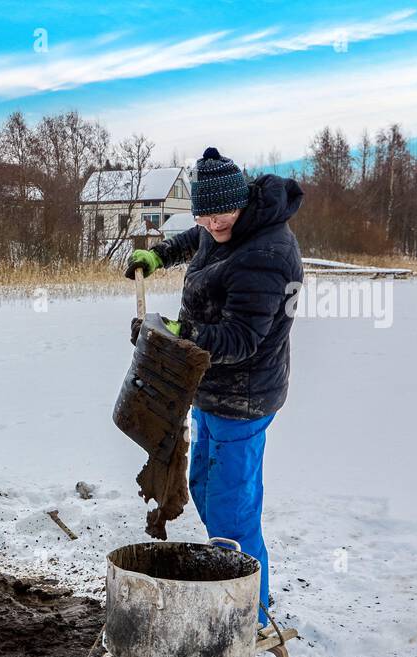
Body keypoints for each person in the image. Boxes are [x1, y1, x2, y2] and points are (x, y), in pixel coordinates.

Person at [124, 147, 303, 625]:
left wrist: (183, 336)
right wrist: (159, 253)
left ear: (241, 202)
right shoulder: (222, 226)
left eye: (220, 215)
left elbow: (243, 339)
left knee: (231, 512)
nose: (211, 225)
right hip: (210, 386)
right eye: (203, 215)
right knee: (207, 486)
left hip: (243, 396)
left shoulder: (267, 254)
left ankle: (250, 615)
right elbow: (198, 239)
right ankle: (250, 587)